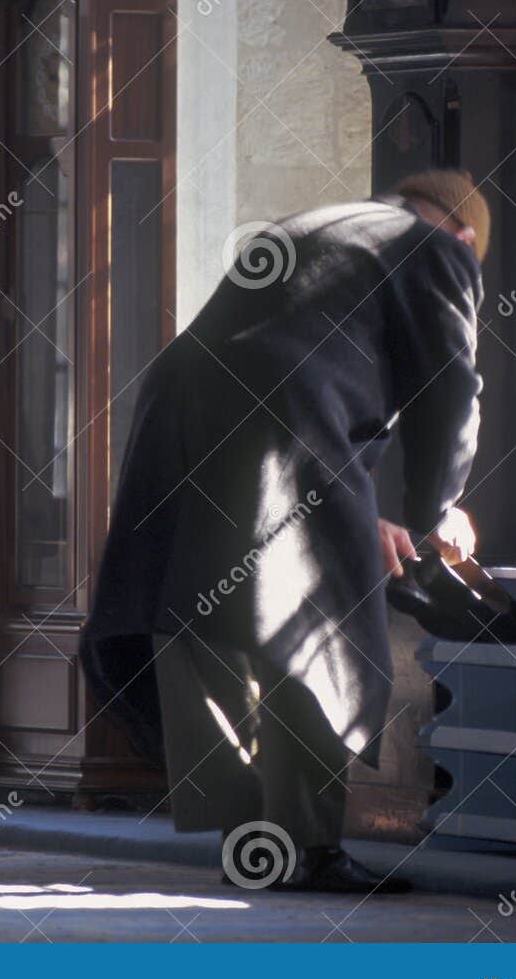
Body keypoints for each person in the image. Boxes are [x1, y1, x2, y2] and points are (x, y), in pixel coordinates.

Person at [82, 169, 489, 893]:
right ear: (462, 232)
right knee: (316, 620)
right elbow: (452, 392)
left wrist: (371, 513)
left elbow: (313, 369)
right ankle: (313, 849)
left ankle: (251, 843)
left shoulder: (325, 227)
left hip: (176, 408)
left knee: (201, 608)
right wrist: (435, 512)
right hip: (281, 423)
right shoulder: (438, 250)